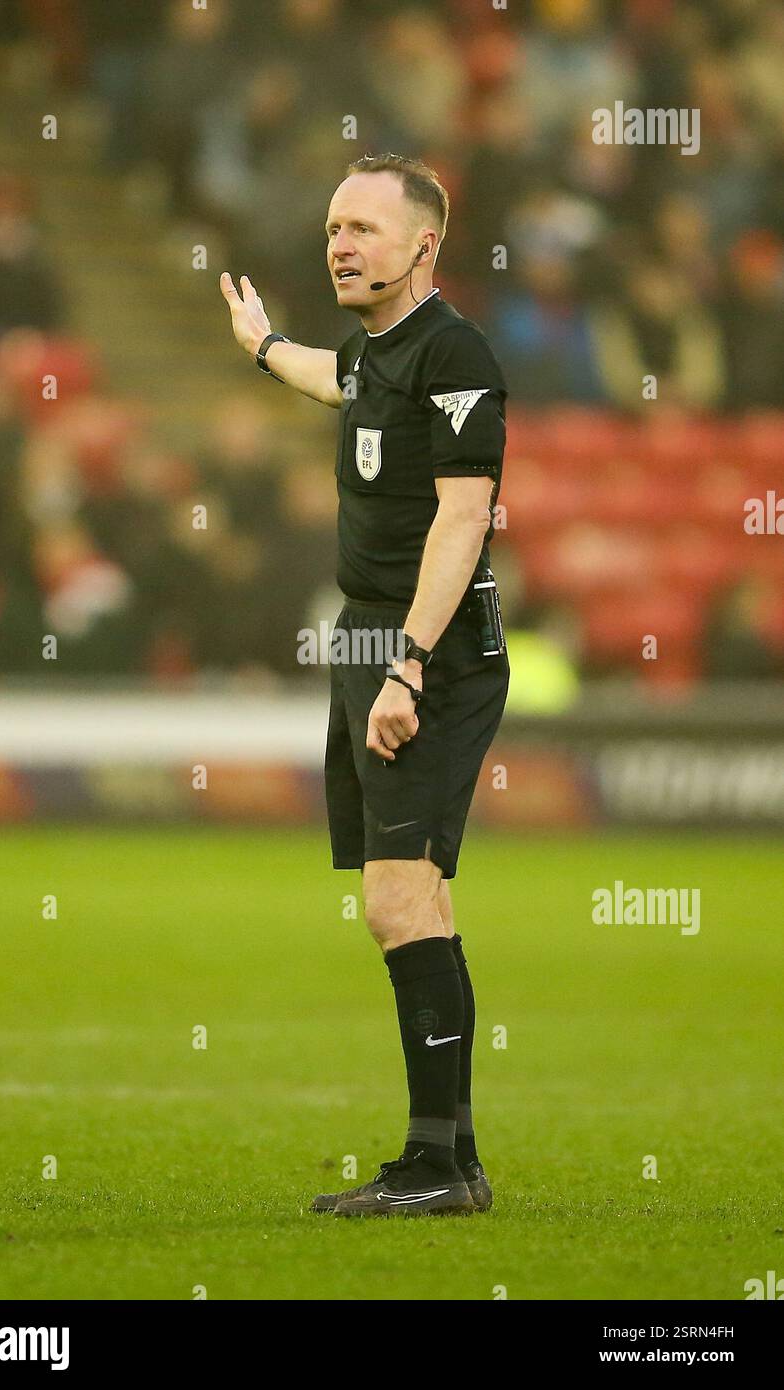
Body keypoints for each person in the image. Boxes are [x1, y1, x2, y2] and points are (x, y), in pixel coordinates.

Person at [219, 154, 509, 1217]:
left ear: (423, 246)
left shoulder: (455, 352)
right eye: (333, 225)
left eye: (365, 229)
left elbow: (462, 516)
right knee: (409, 898)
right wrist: (260, 348)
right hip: (367, 641)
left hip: (419, 648)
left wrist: (408, 664)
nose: (339, 243)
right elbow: (327, 377)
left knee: (394, 900)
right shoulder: (372, 352)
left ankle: (437, 1168)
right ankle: (450, 1160)